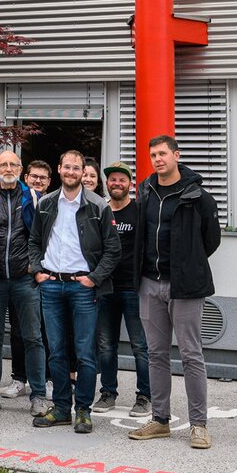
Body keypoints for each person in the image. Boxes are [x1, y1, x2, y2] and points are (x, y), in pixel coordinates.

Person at [129, 135, 221, 451]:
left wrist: (187, 265)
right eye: (153, 154)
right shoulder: (145, 192)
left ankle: (199, 425)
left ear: (176, 155)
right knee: (156, 354)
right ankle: (160, 420)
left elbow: (211, 241)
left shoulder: (198, 196)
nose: (157, 159)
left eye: (163, 153)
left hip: (185, 287)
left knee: (191, 354)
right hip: (149, 284)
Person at [31, 150, 119, 434]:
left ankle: (82, 410)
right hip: (52, 285)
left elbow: (113, 249)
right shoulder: (45, 203)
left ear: (83, 172)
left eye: (76, 168)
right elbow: (33, 241)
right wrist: (37, 271)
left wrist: (94, 278)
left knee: (84, 353)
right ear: (59, 169)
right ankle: (60, 408)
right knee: (56, 351)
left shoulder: (97, 205)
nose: (70, 172)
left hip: (82, 286)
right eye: (66, 167)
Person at [0, 149, 42, 413]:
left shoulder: (32, 198)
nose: (8, 169)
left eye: (13, 164)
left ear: (21, 168)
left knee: (33, 337)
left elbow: (42, 236)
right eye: (3, 164)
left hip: (25, 280)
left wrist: (35, 265)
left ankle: (38, 395)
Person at [97, 163, 150, 413]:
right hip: (106, 288)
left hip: (133, 287)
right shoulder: (101, 211)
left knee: (140, 344)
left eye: (121, 180)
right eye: (112, 180)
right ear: (106, 184)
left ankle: (145, 396)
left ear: (130, 184)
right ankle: (108, 393)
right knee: (106, 344)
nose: (116, 183)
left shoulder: (139, 212)